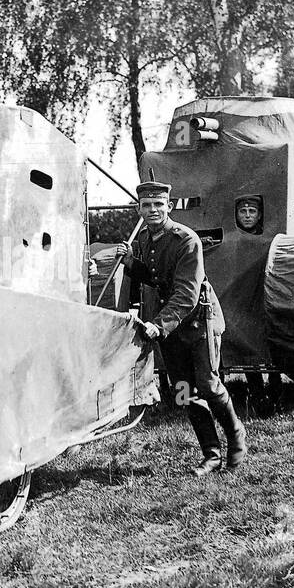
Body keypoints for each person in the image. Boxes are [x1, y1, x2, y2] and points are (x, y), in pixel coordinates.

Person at [115, 182, 247, 476]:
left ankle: (236, 436)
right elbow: (155, 276)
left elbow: (186, 293)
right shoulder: (146, 240)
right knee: (183, 391)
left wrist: (158, 326)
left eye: (159, 205)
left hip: (199, 322)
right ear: (139, 209)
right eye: (147, 205)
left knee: (208, 385)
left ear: (169, 207)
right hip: (170, 325)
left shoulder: (186, 240)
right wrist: (131, 263)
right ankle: (211, 454)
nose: (152, 210)